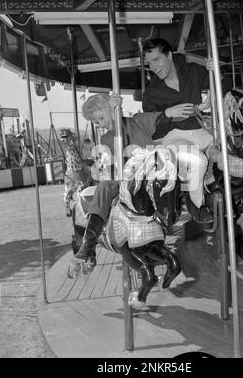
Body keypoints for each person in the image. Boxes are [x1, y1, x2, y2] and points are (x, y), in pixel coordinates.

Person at [68, 93, 173, 275]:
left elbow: (163, 119)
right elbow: (116, 161)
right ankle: (88, 245)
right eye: (96, 122)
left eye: (101, 118)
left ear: (111, 110)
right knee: (102, 188)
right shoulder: (107, 139)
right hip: (126, 180)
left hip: (150, 180)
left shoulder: (139, 121)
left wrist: (174, 111)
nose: (99, 124)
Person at [142, 38, 231, 222]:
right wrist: (167, 114)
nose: (153, 67)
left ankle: (222, 191)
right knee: (198, 161)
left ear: (169, 55)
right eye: (149, 63)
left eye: (156, 59)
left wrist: (217, 72)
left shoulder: (193, 71)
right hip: (171, 137)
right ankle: (196, 206)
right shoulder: (151, 93)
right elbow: (150, 129)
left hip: (198, 129)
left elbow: (225, 88)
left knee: (228, 148)